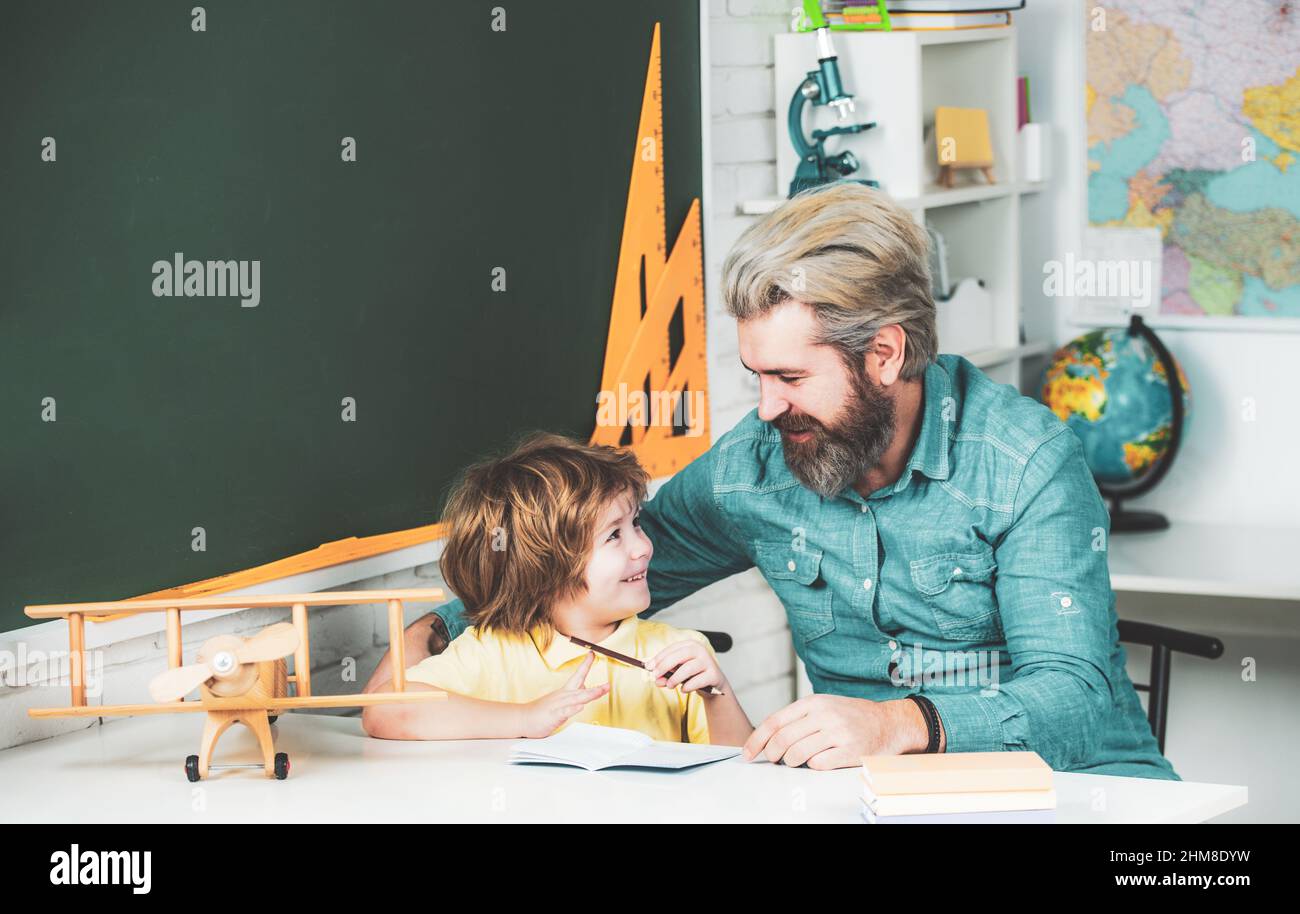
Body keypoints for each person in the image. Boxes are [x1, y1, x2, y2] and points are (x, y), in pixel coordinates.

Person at [372, 181, 1179, 779]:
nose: (764, 407)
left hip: (1081, 793)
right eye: (756, 373)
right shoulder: (758, 465)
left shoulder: (1024, 461)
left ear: (885, 355)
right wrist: (435, 633)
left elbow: (1075, 703)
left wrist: (894, 724)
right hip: (876, 797)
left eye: (789, 376)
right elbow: (559, 571)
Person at [361, 433, 754, 746]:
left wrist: (717, 694)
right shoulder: (493, 650)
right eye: (614, 535)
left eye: (637, 524)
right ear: (546, 570)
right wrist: (524, 719)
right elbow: (384, 711)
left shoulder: (677, 652)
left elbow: (746, 778)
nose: (644, 546)